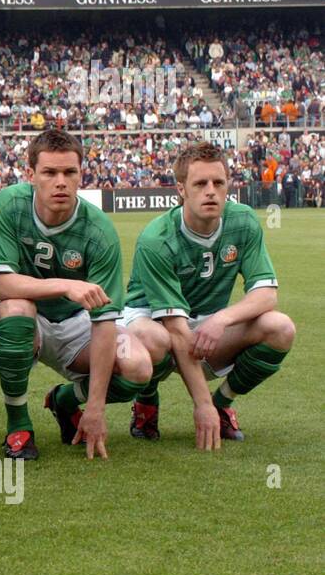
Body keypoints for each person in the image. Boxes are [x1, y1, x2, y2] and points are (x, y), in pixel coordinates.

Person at [0, 129, 151, 461]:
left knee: (139, 366)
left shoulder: (99, 231)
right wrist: (65, 285)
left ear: (80, 174)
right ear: (31, 175)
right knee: (18, 310)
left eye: (69, 172)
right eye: (49, 172)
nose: (60, 181)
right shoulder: (11, 203)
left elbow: (103, 322)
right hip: (18, 315)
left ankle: (66, 400)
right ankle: (18, 424)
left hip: (75, 324)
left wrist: (96, 407)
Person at [123, 142, 294, 448]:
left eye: (218, 182)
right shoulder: (156, 238)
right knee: (155, 340)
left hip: (206, 323)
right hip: (153, 322)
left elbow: (266, 294)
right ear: (181, 189)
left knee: (280, 328)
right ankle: (146, 401)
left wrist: (222, 319)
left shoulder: (242, 221)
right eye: (200, 183)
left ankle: (223, 402)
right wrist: (198, 405)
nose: (211, 191)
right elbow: (176, 329)